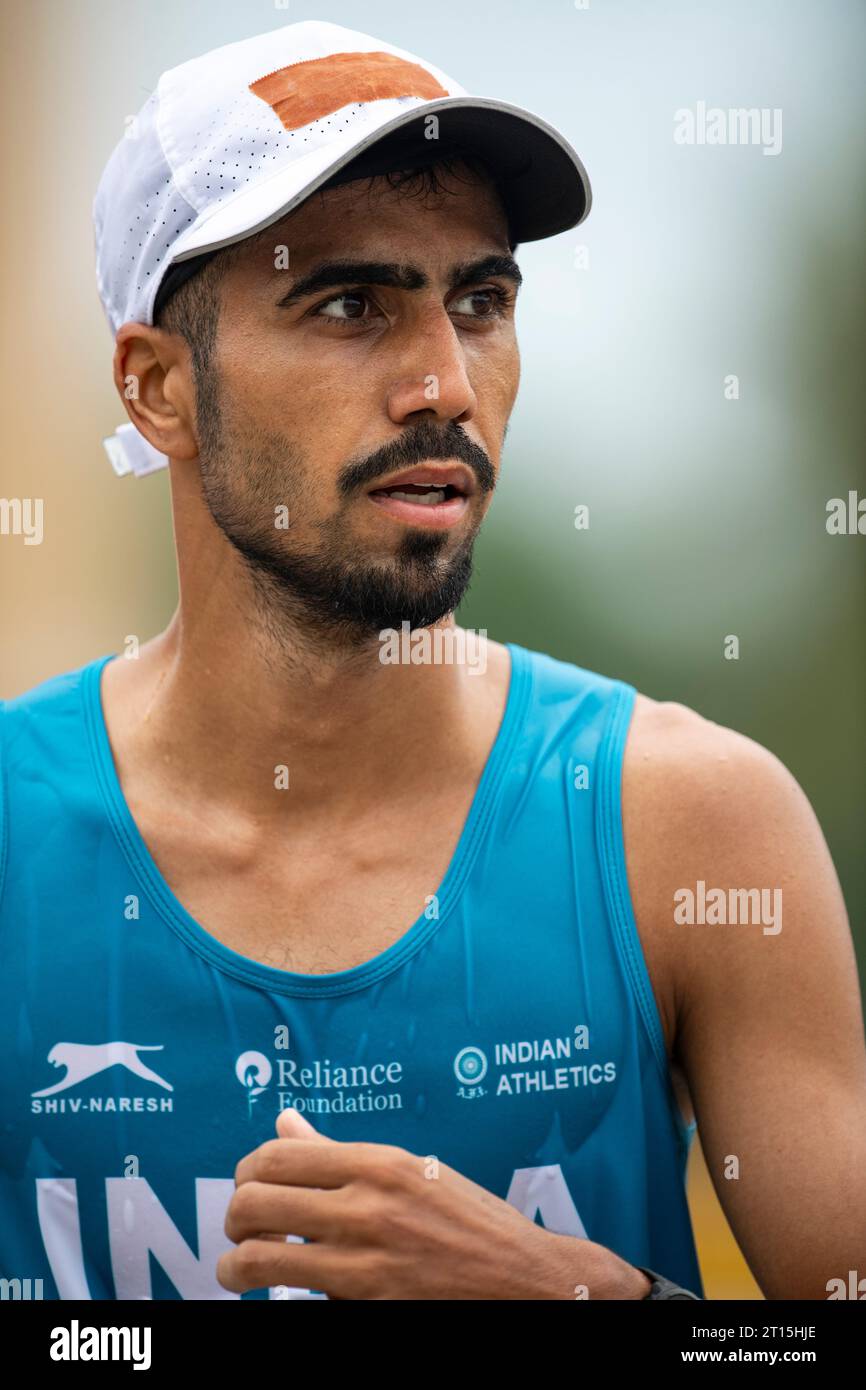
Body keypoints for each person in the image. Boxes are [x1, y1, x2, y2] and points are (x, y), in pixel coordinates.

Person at [1, 19, 863, 1302]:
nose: (442, 383)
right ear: (158, 389)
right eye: (349, 304)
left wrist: (571, 1297)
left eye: (480, 301)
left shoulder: (687, 824)